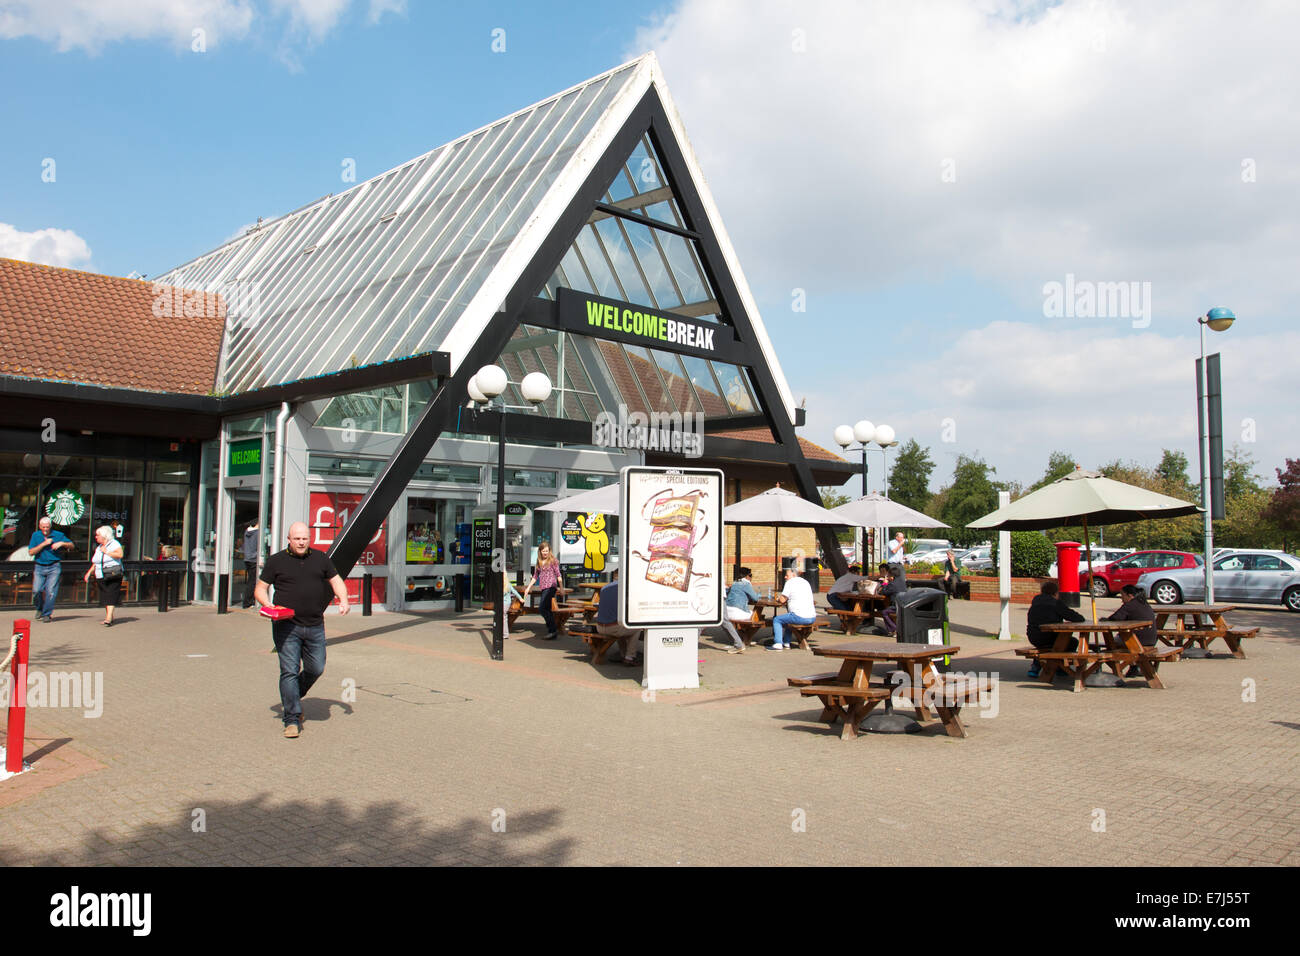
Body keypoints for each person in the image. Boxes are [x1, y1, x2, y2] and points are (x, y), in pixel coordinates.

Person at [254, 521, 350, 739]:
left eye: (304, 538)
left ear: (310, 539)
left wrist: (343, 599)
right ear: (289, 539)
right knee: (288, 671)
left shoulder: (320, 559)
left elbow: (336, 580)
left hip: (315, 624)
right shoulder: (276, 561)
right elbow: (260, 589)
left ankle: (293, 697)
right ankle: (291, 719)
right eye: (297, 539)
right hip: (286, 626)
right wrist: (268, 606)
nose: (301, 542)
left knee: (316, 668)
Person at [1025, 580, 1085, 678]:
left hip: (1033, 636)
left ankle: (1035, 667)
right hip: (1049, 637)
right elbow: (1076, 617)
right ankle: (1062, 668)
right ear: (1056, 593)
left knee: (1044, 646)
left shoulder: (1035, 602)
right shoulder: (1055, 603)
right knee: (1071, 642)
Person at [29, 516, 74, 622]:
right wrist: (44, 544)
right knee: (36, 590)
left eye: (47, 527)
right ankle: (40, 608)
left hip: (54, 566)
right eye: (43, 527)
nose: (45, 529)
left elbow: (72, 545)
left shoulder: (58, 535)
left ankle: (47, 614)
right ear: (40, 526)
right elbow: (31, 552)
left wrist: (62, 543)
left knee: (50, 592)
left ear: (50, 526)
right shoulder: (36, 535)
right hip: (40, 566)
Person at [595, 569, 642, 666]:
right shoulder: (624, 588)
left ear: (614, 576)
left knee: (621, 625)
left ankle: (623, 654)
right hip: (613, 628)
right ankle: (630, 657)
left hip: (599, 627)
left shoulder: (604, 588)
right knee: (637, 629)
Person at [1109, 584, 1158, 676]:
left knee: (1111, 644)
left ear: (1130, 596)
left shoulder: (1130, 605)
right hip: (1151, 639)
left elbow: (1115, 618)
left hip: (1139, 640)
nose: (1121, 598)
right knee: (1123, 641)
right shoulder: (1143, 603)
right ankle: (1133, 667)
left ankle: (1117, 671)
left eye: (1122, 595)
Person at [83, 525, 125, 627]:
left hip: (113, 574)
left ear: (104, 536)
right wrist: (89, 573)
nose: (96, 537)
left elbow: (120, 554)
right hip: (101, 575)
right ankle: (109, 615)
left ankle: (109, 618)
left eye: (98, 535)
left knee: (111, 594)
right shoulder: (98, 548)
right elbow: (96, 562)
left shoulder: (114, 544)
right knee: (106, 596)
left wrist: (107, 552)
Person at [769, 566, 816, 651]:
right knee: (788, 618)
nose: (785, 577)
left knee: (777, 620)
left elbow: (782, 600)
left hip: (799, 616)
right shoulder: (805, 582)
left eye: (787, 575)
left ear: (793, 575)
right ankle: (786, 642)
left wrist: (778, 599)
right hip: (812, 617)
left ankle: (778, 643)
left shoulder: (790, 582)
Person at [523, 541, 562, 640]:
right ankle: (552, 630)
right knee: (546, 609)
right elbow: (535, 576)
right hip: (543, 587)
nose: (545, 553)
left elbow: (558, 574)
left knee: (542, 608)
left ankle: (552, 630)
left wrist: (561, 588)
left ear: (549, 551)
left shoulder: (553, 561)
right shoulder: (539, 561)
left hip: (551, 587)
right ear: (540, 551)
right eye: (543, 551)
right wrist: (528, 588)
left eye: (547, 551)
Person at [720, 567, 761, 653]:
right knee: (757, 617)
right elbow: (755, 598)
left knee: (751, 615)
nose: (751, 577)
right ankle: (746, 638)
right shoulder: (746, 584)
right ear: (747, 576)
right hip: (737, 612)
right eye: (750, 575)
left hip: (727, 611)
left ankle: (741, 638)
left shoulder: (735, 583)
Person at [879, 563, 907, 635]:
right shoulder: (902, 582)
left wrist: (884, 584)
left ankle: (894, 629)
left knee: (884, 612)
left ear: (892, 576)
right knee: (887, 610)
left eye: (888, 576)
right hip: (904, 604)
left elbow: (883, 592)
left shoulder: (892, 584)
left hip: (897, 606)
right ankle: (892, 631)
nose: (887, 577)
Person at [241, 521, 260, 608]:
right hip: (254, 559)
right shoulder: (258, 533)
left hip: (247, 558)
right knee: (252, 582)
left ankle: (249, 601)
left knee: (250, 581)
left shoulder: (247, 532)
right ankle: (248, 602)